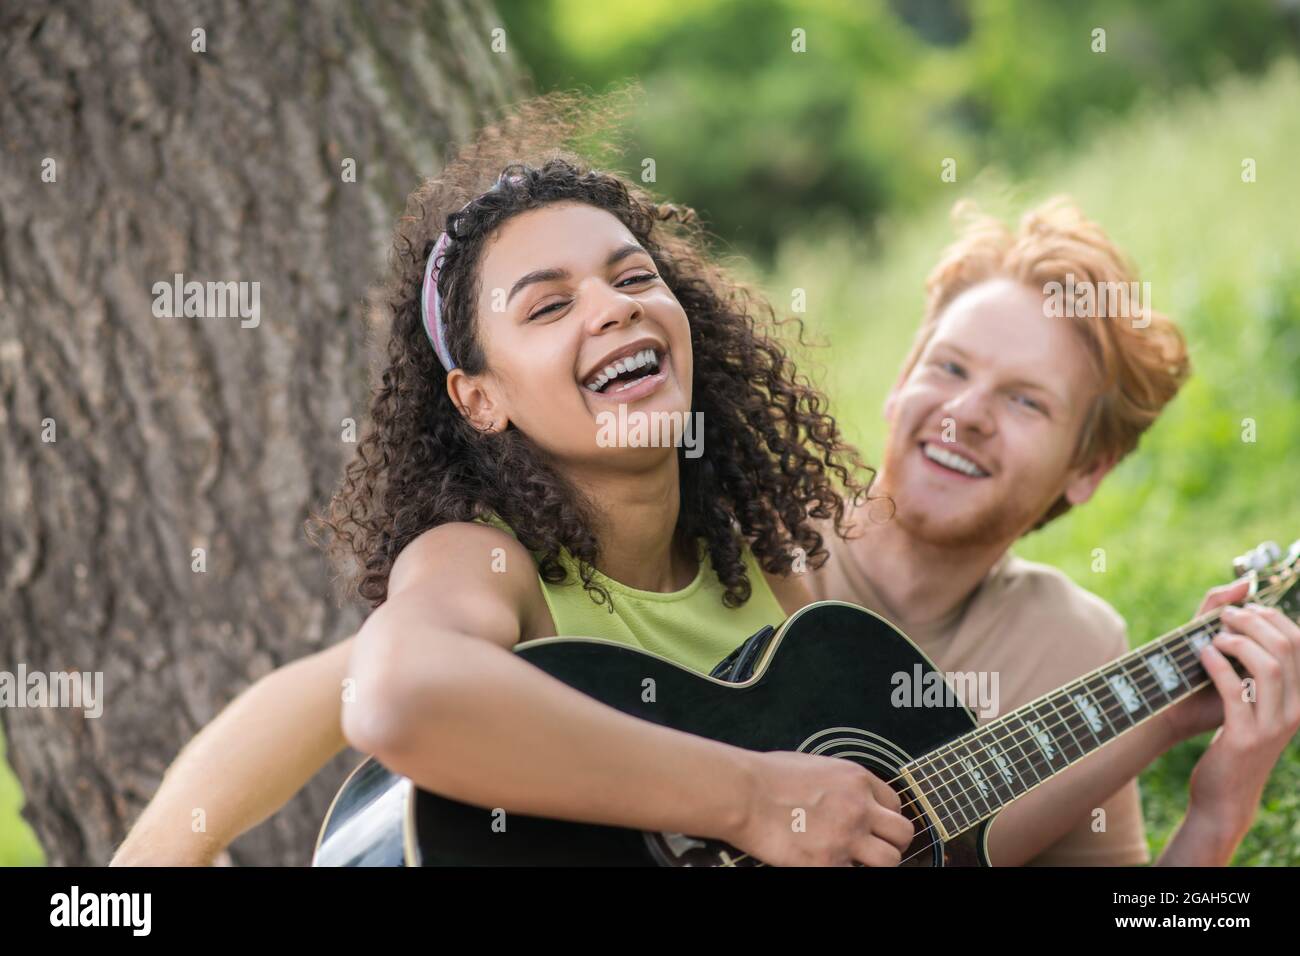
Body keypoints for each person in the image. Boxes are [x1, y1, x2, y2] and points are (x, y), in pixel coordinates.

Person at [111, 94, 910, 867]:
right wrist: (751, 800)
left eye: (633, 279)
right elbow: (393, 692)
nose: (611, 308)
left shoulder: (769, 565)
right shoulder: (483, 562)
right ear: (480, 398)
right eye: (547, 306)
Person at [803, 197, 1300, 865]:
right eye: (950, 368)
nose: (967, 413)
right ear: (901, 382)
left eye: (1024, 400)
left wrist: (1218, 815)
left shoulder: (1076, 649)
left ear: (1086, 468)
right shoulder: (745, 540)